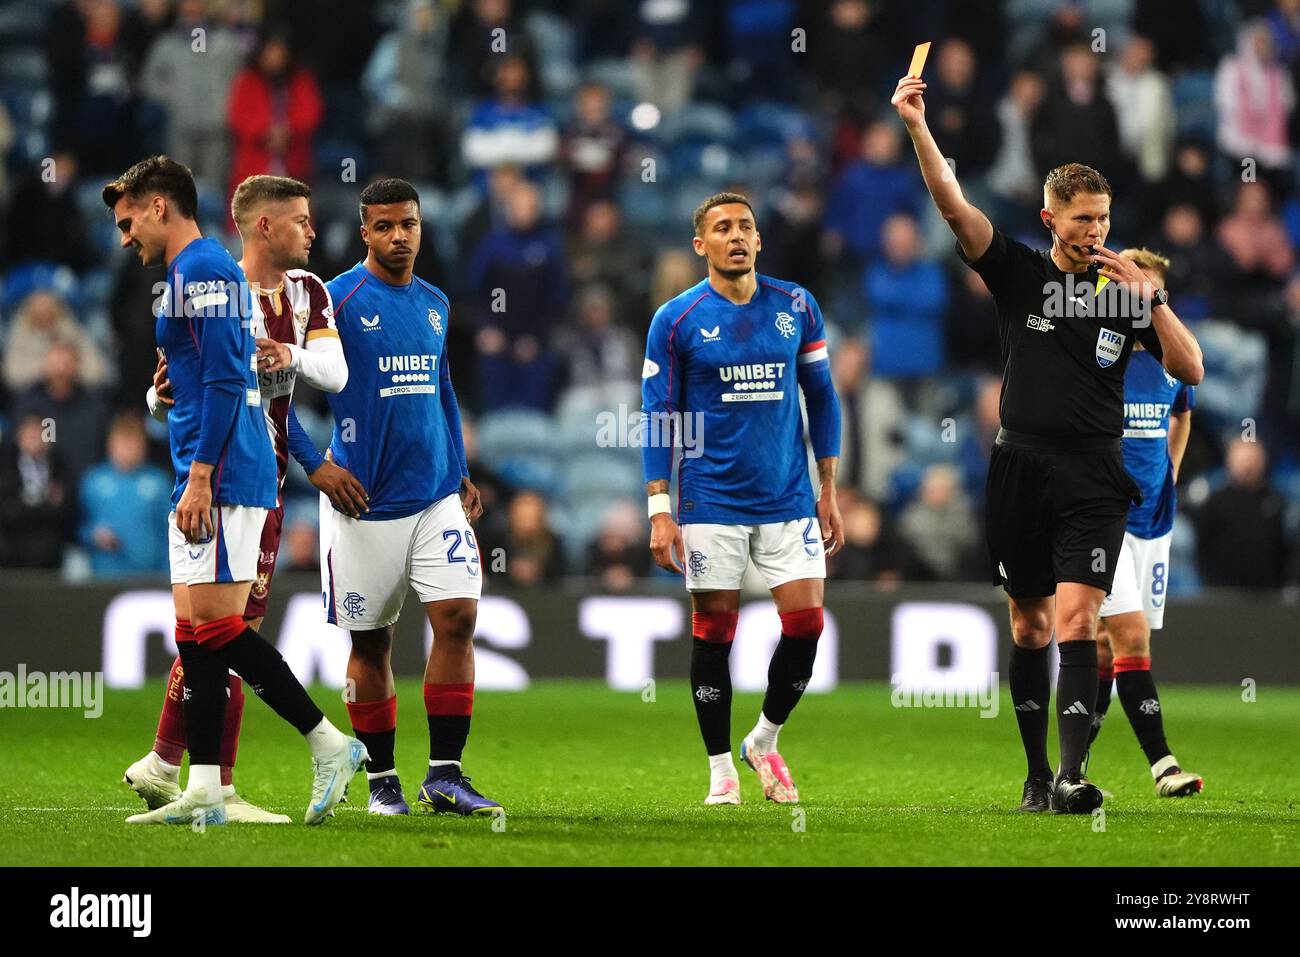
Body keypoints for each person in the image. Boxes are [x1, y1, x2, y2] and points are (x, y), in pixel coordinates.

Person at [891, 73, 1204, 814]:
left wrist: (1150, 296)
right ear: (1049, 217)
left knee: (1077, 621)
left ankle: (1071, 776)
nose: (1094, 231)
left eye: (1102, 218)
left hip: (1096, 473)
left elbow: (1190, 368)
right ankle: (1036, 772)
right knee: (1030, 622)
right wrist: (916, 127)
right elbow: (951, 203)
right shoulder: (1019, 273)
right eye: (1081, 219)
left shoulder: (1126, 294)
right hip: (1020, 466)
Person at [102, 155, 364, 826]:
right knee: (195, 632)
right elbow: (202, 375)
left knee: (220, 628)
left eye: (129, 220)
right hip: (205, 463)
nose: (124, 235)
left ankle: (328, 742)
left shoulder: (207, 272)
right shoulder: (192, 274)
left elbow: (226, 382)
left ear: (160, 207)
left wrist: (198, 475)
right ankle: (209, 787)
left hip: (223, 473)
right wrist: (162, 398)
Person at [296, 178, 500, 817]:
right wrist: (315, 468)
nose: (398, 236)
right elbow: (273, 389)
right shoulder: (334, 301)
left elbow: (441, 392)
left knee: (459, 619)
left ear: (421, 225)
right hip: (363, 504)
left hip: (435, 495)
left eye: (408, 224)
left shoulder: (437, 301)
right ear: (364, 231)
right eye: (384, 226)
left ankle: (445, 775)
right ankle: (381, 780)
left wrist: (461, 469)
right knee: (371, 645)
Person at [641, 192, 843, 806]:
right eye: (723, 228)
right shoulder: (675, 319)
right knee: (715, 636)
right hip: (711, 501)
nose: (737, 236)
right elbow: (659, 414)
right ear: (701, 245)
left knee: (806, 625)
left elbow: (824, 397)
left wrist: (828, 487)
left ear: (759, 241)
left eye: (746, 228)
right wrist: (659, 507)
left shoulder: (796, 306)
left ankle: (765, 737)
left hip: (787, 495)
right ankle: (720, 768)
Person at [1092, 248, 1203, 799]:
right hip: (1104, 521)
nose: (1144, 302)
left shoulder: (1171, 365)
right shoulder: (1096, 358)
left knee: (1108, 651)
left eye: (1152, 293)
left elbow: (1182, 414)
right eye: (1134, 291)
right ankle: (1163, 765)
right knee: (1130, 642)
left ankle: (1071, 769)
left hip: (1154, 522)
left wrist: (1171, 471)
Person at [79, 413, 171, 577]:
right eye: (123, 442)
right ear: (110, 444)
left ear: (143, 445)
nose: (128, 448)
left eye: (133, 442)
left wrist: (168, 575)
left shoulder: (159, 482)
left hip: (150, 578)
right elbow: (78, 527)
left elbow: (170, 531)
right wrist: (93, 535)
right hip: (103, 578)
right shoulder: (93, 481)